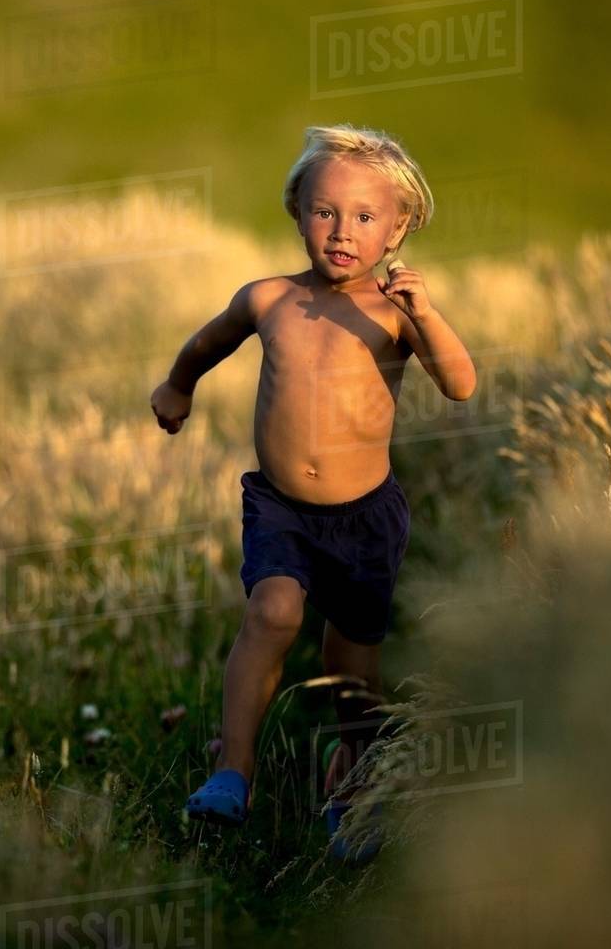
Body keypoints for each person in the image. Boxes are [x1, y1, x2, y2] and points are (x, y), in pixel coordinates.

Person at [150, 124, 477, 861]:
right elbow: (207, 342)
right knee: (272, 612)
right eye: (325, 211)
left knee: (349, 672)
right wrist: (177, 386)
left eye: (365, 217)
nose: (342, 231)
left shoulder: (392, 314)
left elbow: (460, 384)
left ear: (398, 229)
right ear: (298, 212)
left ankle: (352, 793)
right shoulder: (269, 299)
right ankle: (234, 772)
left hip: (366, 518)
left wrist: (426, 314)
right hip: (281, 507)